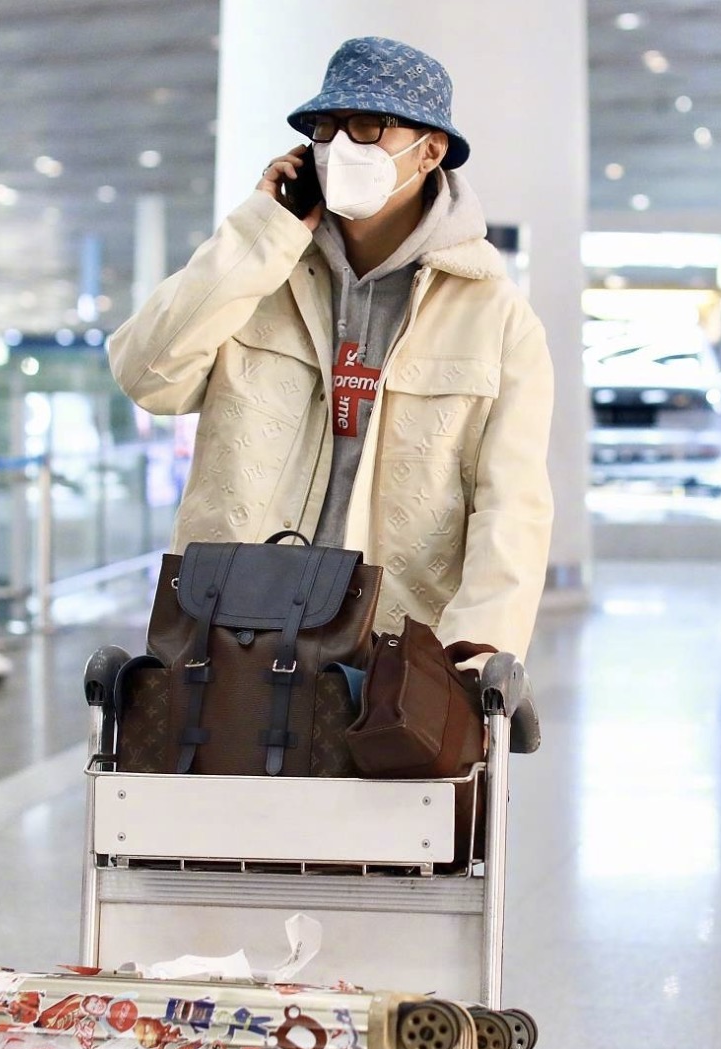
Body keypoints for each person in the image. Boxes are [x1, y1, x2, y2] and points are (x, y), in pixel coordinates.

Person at [108, 36, 555, 658]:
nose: (341, 146)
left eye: (369, 126)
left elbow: (511, 511)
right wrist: (262, 233)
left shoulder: (497, 318)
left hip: (397, 648)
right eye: (325, 127)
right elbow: (147, 376)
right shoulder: (258, 273)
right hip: (232, 636)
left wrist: (472, 663)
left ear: (431, 151)